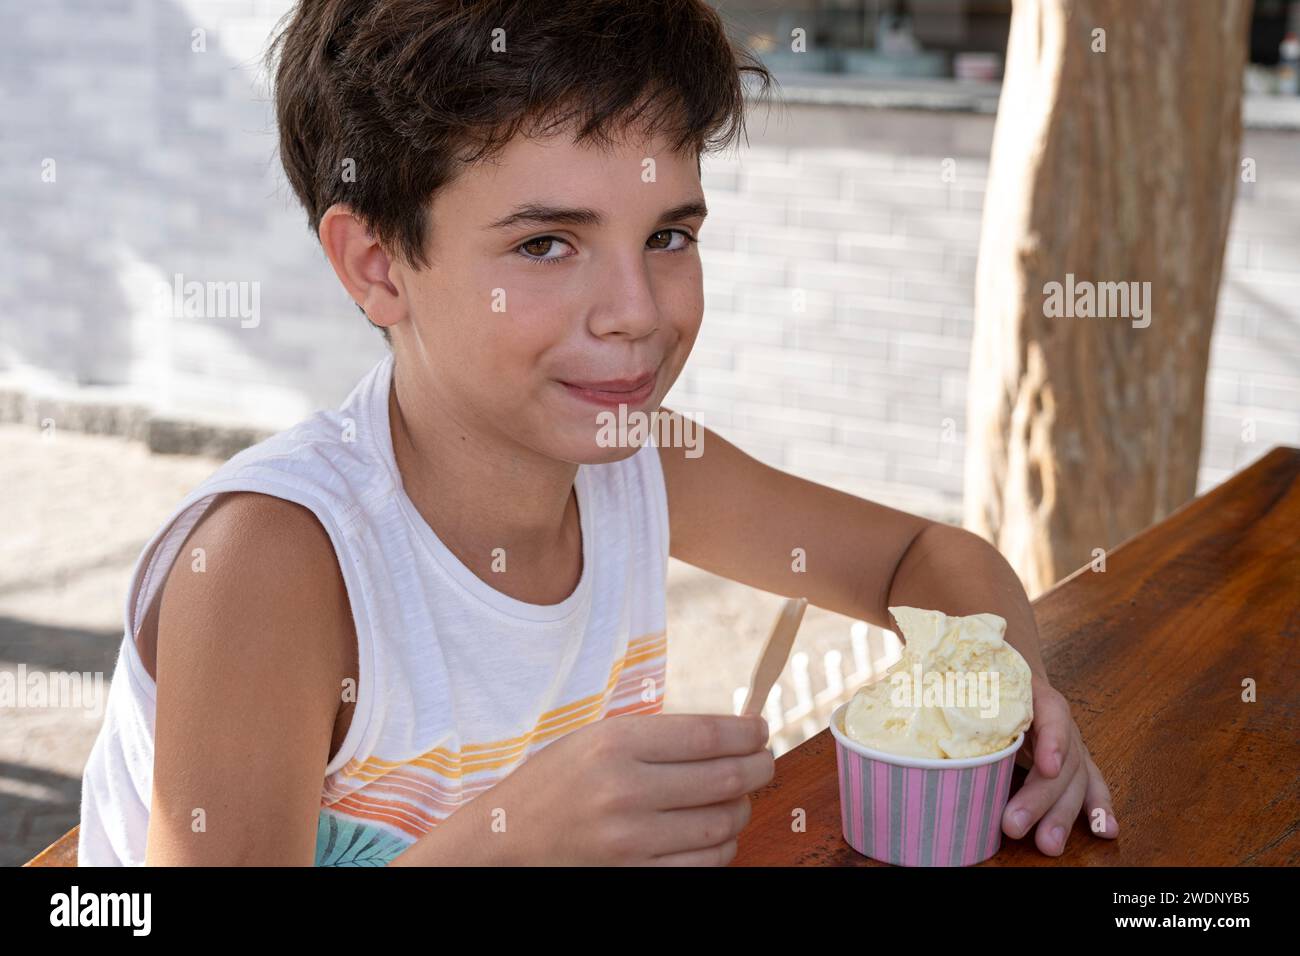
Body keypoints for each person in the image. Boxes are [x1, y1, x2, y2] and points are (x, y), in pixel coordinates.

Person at [78, 0, 1117, 866]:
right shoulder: (270, 562)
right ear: (377, 265)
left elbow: (926, 555)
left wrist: (1003, 698)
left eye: (667, 234)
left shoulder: (645, 467)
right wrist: (506, 838)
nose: (637, 309)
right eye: (544, 243)